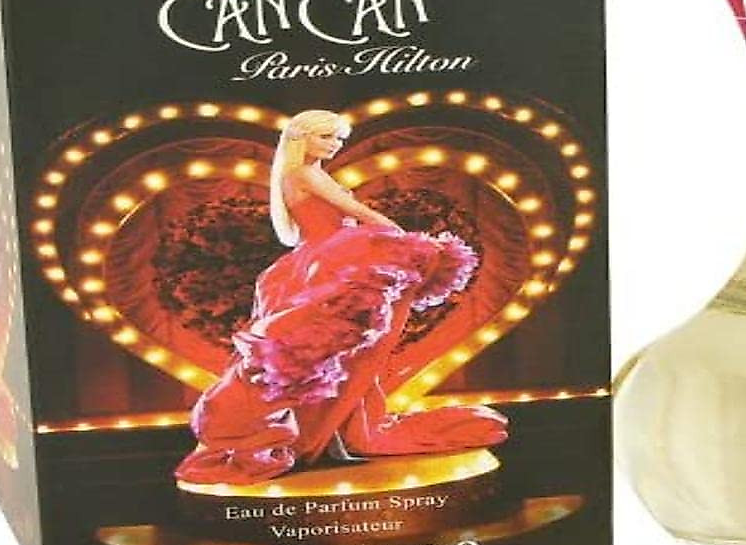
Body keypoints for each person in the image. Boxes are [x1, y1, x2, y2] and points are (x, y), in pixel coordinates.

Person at [174, 109, 507, 484]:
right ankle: (297, 438)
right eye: (326, 137)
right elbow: (356, 210)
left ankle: (328, 436)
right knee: (310, 359)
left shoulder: (309, 174)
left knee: (337, 359)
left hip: (323, 261)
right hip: (326, 263)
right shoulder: (302, 174)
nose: (334, 145)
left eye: (338, 139)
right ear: (302, 138)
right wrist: (406, 239)